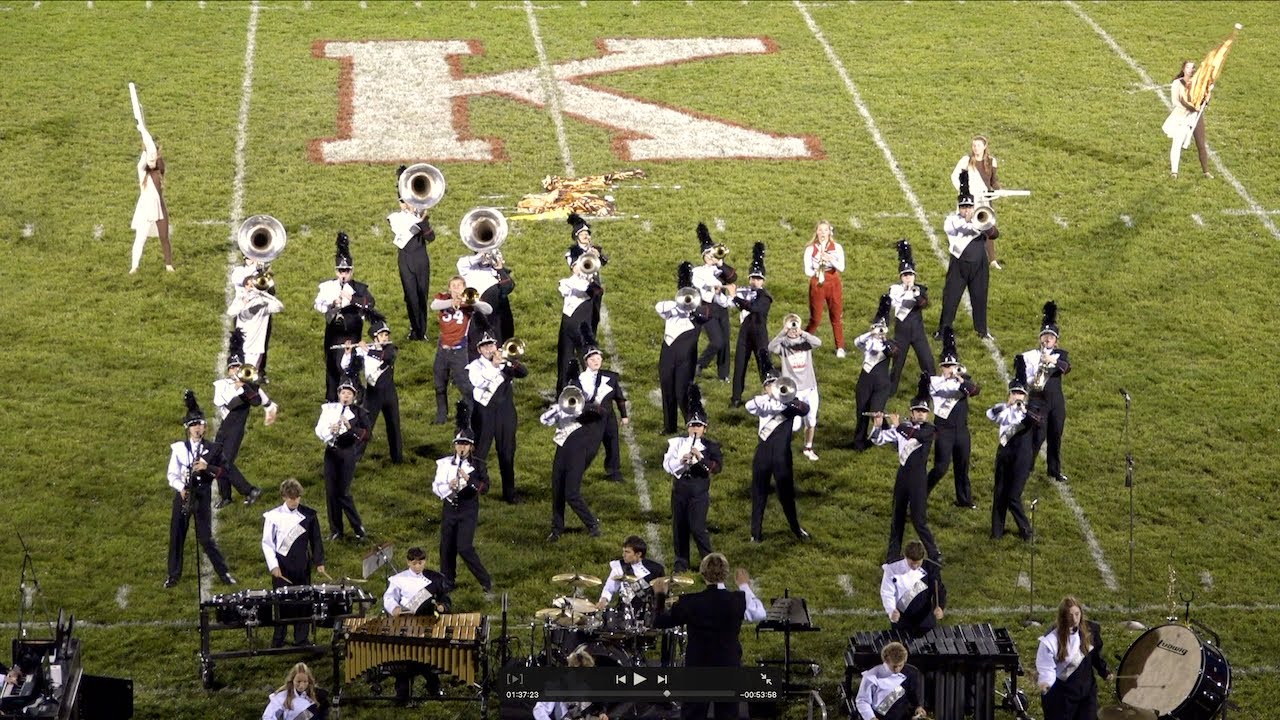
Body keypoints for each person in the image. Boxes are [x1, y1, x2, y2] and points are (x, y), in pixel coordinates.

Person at [651, 553, 766, 720]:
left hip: (698, 669)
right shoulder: (738, 599)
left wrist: (660, 595)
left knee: (693, 715)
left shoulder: (689, 602)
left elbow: (660, 621)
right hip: (728, 667)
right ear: (726, 574)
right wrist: (744, 586)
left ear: (702, 573)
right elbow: (760, 614)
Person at [165, 390, 236, 588]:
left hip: (202, 496)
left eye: (200, 424)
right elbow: (172, 474)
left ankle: (224, 573)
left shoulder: (213, 449)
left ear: (205, 426)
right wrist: (180, 488)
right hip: (183, 495)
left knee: (205, 538)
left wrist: (208, 468)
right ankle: (173, 575)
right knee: (177, 534)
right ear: (188, 428)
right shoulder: (179, 449)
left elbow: (225, 472)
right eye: (193, 424)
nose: (197, 428)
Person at [871, 374, 941, 563]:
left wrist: (897, 424)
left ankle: (934, 554)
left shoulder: (930, 429)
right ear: (911, 412)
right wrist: (878, 425)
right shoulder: (904, 426)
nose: (920, 414)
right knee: (897, 518)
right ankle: (892, 555)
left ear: (927, 414)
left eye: (923, 411)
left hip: (918, 477)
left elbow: (912, 435)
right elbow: (878, 440)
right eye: (917, 411)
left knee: (919, 519)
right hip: (902, 477)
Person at [745, 352, 811, 543]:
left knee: (787, 494)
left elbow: (805, 409)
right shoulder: (762, 403)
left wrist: (789, 401)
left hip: (782, 455)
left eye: (775, 384)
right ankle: (755, 534)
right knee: (759, 493)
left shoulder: (790, 402)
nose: (772, 388)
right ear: (764, 387)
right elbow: (750, 406)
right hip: (763, 454)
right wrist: (772, 402)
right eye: (768, 385)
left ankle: (796, 529)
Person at [432, 404, 493, 593]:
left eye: (465, 444)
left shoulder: (478, 465)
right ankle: (447, 581)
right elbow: (435, 486)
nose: (461, 447)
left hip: (468, 509)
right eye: (459, 444)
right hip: (450, 507)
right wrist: (447, 487)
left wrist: (469, 480)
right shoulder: (444, 464)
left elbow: (485, 488)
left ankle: (485, 580)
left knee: (464, 547)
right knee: (446, 547)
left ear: (471, 446)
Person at [541, 359, 603, 541]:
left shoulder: (587, 409)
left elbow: (600, 412)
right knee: (557, 490)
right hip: (562, 450)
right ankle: (557, 528)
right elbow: (544, 420)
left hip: (578, 451)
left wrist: (581, 409)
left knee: (571, 492)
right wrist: (560, 408)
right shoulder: (561, 407)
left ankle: (592, 524)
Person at [662, 384, 721, 573]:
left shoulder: (711, 447)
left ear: (705, 428)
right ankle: (681, 563)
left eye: (699, 426)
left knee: (697, 528)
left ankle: (710, 563)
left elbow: (715, 468)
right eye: (692, 425)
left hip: (698, 493)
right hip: (679, 491)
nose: (695, 429)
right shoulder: (677, 443)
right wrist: (682, 461)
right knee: (679, 528)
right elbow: (667, 466)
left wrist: (700, 458)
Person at [382, 547, 452, 704]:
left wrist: (443, 607)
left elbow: (445, 598)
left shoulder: (435, 578)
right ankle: (402, 693)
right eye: (414, 563)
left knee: (428, 657)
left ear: (424, 562)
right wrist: (394, 608)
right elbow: (389, 597)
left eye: (420, 563)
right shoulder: (398, 579)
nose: (417, 567)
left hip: (427, 623)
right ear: (408, 562)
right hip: (404, 624)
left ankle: (433, 687)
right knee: (403, 659)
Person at [261, 479, 326, 648]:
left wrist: (319, 562)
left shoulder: (309, 515)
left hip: (302, 567)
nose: (295, 501)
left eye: (297, 497)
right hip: (282, 567)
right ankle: (278, 640)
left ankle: (301, 639)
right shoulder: (273, 516)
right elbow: (267, 543)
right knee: (281, 602)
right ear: (284, 497)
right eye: (291, 498)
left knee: (304, 602)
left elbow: (316, 540)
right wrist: (273, 566)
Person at [211, 329, 271, 508]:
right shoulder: (221, 385)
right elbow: (224, 402)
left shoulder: (247, 386)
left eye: (238, 367)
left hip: (236, 426)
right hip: (225, 425)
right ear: (228, 370)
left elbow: (256, 402)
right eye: (232, 368)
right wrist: (239, 389)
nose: (236, 370)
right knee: (216, 459)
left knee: (226, 461)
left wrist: (245, 386)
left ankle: (250, 490)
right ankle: (226, 496)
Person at [467, 331, 528, 503]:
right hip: (484, 414)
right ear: (479, 350)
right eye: (485, 346)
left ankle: (509, 493)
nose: (489, 349)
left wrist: (510, 362)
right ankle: (479, 485)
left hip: (505, 413)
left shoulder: (505, 362)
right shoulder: (474, 367)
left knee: (507, 452)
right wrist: (495, 366)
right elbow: (479, 382)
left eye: (491, 345)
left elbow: (524, 373)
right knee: (480, 452)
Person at [314, 233, 376, 401]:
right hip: (334, 334)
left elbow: (370, 303)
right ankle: (331, 399)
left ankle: (353, 397)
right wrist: (332, 304)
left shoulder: (360, 288)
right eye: (341, 270)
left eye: (347, 270)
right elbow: (318, 306)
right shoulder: (328, 287)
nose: (344, 274)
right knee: (332, 366)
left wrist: (351, 299)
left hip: (352, 333)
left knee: (349, 367)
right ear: (336, 271)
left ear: (352, 271)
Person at [926, 326, 981, 509]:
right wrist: (955, 380)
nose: (950, 369)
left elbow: (975, 391)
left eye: (953, 366)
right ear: (941, 367)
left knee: (962, 466)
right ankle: (921, 493)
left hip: (962, 430)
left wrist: (960, 378)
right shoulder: (935, 382)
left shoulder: (962, 382)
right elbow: (941, 388)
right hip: (944, 431)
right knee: (940, 468)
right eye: (947, 366)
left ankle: (964, 500)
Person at [987, 356, 1041, 541]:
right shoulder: (1003, 410)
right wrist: (1007, 405)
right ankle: (997, 532)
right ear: (1009, 394)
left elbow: (1036, 421)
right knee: (1000, 491)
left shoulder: (1030, 410)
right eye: (1014, 393)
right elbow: (990, 414)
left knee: (1013, 495)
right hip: (1004, 453)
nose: (1017, 396)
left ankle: (1026, 530)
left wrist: (1024, 409)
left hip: (1021, 456)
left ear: (1025, 396)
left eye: (1020, 393)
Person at [936, 171, 995, 341]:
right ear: (959, 208)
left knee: (980, 297)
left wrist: (987, 225)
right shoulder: (952, 221)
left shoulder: (981, 218)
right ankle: (943, 330)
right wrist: (976, 222)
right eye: (964, 208)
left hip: (979, 265)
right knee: (951, 298)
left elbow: (995, 234)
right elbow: (965, 228)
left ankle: (982, 330)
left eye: (969, 207)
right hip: (959, 265)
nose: (967, 210)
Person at [314, 366, 370, 541]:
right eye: (343, 392)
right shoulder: (329, 410)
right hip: (331, 452)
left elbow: (367, 435)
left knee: (343, 493)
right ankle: (336, 530)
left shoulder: (360, 413)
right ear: (339, 394)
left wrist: (350, 428)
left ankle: (358, 527)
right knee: (331, 492)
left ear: (354, 396)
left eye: (349, 393)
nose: (345, 396)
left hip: (347, 454)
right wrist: (331, 431)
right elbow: (319, 430)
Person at [1036, 597, 1113, 720]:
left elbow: (1095, 655)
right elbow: (1046, 666)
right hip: (1063, 695)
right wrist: (1046, 681)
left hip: (1086, 691)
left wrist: (1104, 671)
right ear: (1063, 617)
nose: (1074, 619)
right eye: (1070, 615)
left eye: (1077, 614)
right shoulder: (1051, 639)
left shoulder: (1090, 631)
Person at [430, 276, 491, 425]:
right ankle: (441, 416)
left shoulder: (468, 303)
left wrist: (472, 302)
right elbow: (434, 305)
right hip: (442, 349)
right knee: (439, 384)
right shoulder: (443, 298)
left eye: (459, 285)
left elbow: (488, 309)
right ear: (449, 288)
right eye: (453, 285)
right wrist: (452, 302)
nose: (456, 288)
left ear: (464, 287)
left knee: (465, 386)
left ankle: (473, 414)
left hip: (459, 351)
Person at [656, 262, 708, 434]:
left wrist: (690, 309)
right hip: (668, 353)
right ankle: (669, 426)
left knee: (682, 392)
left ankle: (692, 423)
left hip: (686, 357)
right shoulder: (672, 309)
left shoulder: (698, 313)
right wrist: (678, 306)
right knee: (667, 389)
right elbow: (659, 307)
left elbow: (707, 315)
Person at [343, 313, 402, 464]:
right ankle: (355, 457)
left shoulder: (390, 349)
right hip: (373, 395)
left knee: (394, 426)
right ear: (375, 337)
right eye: (382, 335)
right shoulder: (364, 352)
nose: (385, 338)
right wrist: (348, 352)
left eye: (386, 335)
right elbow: (347, 367)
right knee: (366, 427)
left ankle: (397, 459)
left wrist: (368, 351)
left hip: (389, 393)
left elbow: (388, 357)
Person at [1023, 301, 1072, 483]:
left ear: (1056, 340)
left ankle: (1054, 470)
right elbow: (1024, 378)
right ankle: (1027, 468)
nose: (1047, 339)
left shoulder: (1060, 355)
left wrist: (1050, 359)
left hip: (1056, 401)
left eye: (1050, 337)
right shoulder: (1029, 356)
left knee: (1055, 436)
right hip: (1038, 401)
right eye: (1044, 336)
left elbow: (1066, 368)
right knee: (1037, 437)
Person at [388, 167, 435, 341]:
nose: (405, 204)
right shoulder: (395, 218)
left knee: (422, 293)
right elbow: (403, 234)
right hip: (405, 259)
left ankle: (421, 330)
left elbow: (431, 237)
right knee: (410, 296)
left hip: (421, 258)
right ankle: (415, 328)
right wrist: (418, 221)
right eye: (402, 201)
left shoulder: (421, 216)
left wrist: (423, 222)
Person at [578, 324, 629, 482]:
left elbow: (619, 397)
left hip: (609, 416)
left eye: (598, 358)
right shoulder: (579, 380)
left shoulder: (610, 377)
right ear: (586, 361)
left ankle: (614, 471)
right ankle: (577, 470)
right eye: (592, 359)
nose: (596, 361)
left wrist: (624, 416)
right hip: (592, 417)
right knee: (590, 447)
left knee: (613, 443)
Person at [768, 314, 822, 461]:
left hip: (810, 387)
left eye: (795, 325)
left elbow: (818, 342)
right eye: (790, 325)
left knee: (811, 421)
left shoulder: (805, 341)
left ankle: (808, 447)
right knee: (794, 425)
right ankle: (780, 446)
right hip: (794, 391)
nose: (793, 329)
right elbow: (771, 347)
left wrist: (802, 333)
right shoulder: (784, 344)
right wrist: (783, 332)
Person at [887, 240, 935, 397]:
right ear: (901, 277)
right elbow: (894, 304)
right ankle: (890, 391)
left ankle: (932, 389)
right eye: (905, 275)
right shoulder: (894, 289)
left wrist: (915, 294)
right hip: (901, 333)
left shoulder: (920, 289)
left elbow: (924, 304)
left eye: (910, 275)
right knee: (897, 365)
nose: (908, 278)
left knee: (927, 361)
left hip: (918, 332)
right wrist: (906, 292)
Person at [852, 296, 899, 451]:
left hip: (881, 383)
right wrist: (870, 333)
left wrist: (884, 339)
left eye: (882, 328)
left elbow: (893, 352)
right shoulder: (868, 341)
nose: (879, 331)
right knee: (862, 412)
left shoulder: (890, 343)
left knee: (875, 412)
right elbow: (856, 342)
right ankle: (859, 442)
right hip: (865, 380)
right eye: (877, 327)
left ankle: (889, 434)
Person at [950, 135, 1003, 269]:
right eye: (974, 145)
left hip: (984, 199)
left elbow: (993, 181)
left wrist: (998, 189)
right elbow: (955, 176)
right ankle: (960, 256)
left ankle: (992, 260)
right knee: (966, 227)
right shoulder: (966, 161)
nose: (976, 148)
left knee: (988, 227)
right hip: (969, 201)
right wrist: (964, 192)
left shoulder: (991, 161)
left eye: (978, 145)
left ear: (984, 146)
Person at [730, 242, 772, 407]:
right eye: (753, 278)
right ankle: (735, 398)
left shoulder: (766, 297)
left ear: (763, 280)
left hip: (760, 332)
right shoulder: (744, 292)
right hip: (744, 332)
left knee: (764, 364)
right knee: (740, 364)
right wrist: (721, 292)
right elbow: (726, 302)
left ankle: (770, 393)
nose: (755, 281)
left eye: (758, 278)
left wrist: (736, 297)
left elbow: (754, 308)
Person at [556, 251, 603, 394]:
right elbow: (567, 289)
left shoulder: (591, 283)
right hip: (567, 327)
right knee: (564, 361)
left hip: (583, 329)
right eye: (576, 265)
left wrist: (591, 278)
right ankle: (562, 395)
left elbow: (596, 292)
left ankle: (592, 394)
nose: (579, 268)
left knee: (587, 361)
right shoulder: (567, 282)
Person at [693, 223, 735, 382]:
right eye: (708, 254)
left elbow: (732, 277)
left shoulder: (720, 269)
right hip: (707, 308)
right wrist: (714, 291)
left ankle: (723, 375)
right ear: (703, 256)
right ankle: (700, 364)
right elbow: (701, 287)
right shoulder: (697, 271)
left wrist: (721, 264)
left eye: (713, 254)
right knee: (717, 341)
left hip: (721, 309)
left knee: (725, 343)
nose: (711, 256)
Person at [879, 540, 946, 639]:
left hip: (925, 619)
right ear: (905, 557)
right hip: (902, 618)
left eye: (918, 564)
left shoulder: (931, 568)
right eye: (911, 564)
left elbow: (939, 590)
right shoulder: (892, 569)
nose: (914, 567)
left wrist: (940, 606)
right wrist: (891, 610)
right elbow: (887, 592)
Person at [129, 121, 173, 273]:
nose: (152, 161)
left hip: (159, 207)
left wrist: (143, 130)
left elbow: (154, 155)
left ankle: (169, 265)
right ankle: (134, 266)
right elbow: (148, 153)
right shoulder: (142, 171)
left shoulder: (159, 169)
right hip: (145, 208)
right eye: (149, 158)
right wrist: (142, 130)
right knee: (140, 238)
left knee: (164, 236)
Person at [226, 270, 284, 377]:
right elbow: (231, 312)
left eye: (253, 285)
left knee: (248, 378)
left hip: (255, 348)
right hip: (240, 346)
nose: (250, 287)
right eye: (248, 285)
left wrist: (263, 293)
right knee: (236, 378)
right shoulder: (240, 299)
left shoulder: (263, 303)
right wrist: (244, 302)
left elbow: (280, 307)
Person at [1162, 60, 1213, 180]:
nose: (1191, 70)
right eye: (1188, 68)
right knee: (1177, 143)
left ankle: (1206, 171)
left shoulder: (1198, 84)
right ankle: (1174, 172)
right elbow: (1180, 101)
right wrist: (1193, 107)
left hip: (1195, 116)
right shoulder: (1177, 83)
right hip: (1181, 116)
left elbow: (1203, 100)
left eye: (1193, 68)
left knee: (1201, 144)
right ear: (1183, 69)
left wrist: (1206, 97)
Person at [803, 220, 847, 357]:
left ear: (830, 232)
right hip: (817, 283)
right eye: (820, 230)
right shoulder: (810, 248)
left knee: (836, 315)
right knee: (815, 318)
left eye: (825, 230)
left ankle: (840, 347)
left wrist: (830, 259)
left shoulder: (837, 247)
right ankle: (803, 342)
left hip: (833, 282)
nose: (823, 233)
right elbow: (807, 270)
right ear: (816, 231)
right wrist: (817, 273)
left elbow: (841, 267)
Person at [853, 641, 926, 720]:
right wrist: (871, 718)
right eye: (894, 666)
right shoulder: (871, 676)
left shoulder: (911, 673)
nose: (897, 669)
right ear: (886, 661)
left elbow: (913, 695)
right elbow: (862, 701)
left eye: (900, 665)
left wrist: (918, 708)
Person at [456, 245, 515, 342]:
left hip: (499, 314)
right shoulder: (467, 267)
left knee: (501, 341)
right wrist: (482, 255)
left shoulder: (496, 271)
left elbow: (508, 287)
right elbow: (465, 262)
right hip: (480, 312)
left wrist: (499, 268)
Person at [533, 648, 609, 720]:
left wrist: (602, 712)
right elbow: (539, 710)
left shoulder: (586, 684)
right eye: (584, 673)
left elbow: (600, 701)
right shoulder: (556, 686)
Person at [565, 212, 609, 334]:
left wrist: (598, 254)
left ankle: (591, 342)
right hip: (581, 288)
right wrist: (586, 257)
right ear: (576, 236)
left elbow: (605, 261)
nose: (586, 236)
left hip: (595, 287)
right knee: (582, 317)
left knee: (595, 318)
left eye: (587, 234)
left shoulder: (595, 249)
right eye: (583, 234)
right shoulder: (572, 251)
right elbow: (575, 268)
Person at [595, 535, 665, 612]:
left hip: (647, 611)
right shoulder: (619, 567)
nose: (623, 555)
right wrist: (603, 600)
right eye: (623, 551)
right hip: (624, 611)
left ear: (638, 554)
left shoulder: (655, 569)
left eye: (627, 552)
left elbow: (661, 595)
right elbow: (609, 588)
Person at [262, 662, 329, 720]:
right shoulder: (283, 696)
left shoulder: (318, 695)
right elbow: (268, 716)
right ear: (292, 680)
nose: (301, 686)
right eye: (298, 681)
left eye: (305, 682)